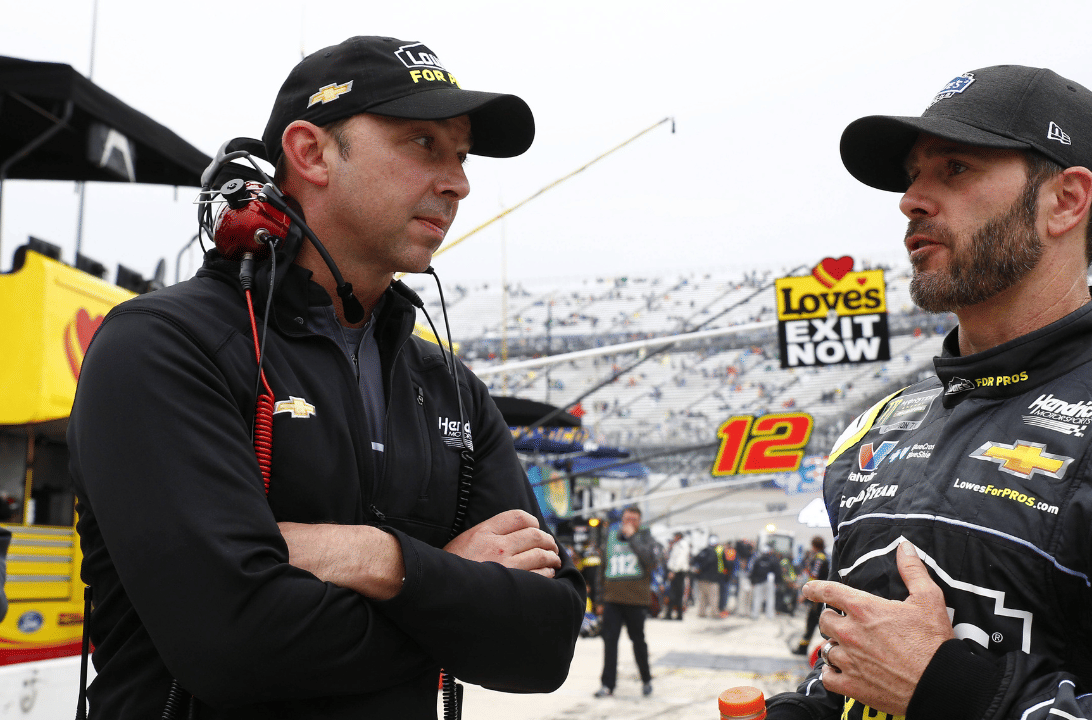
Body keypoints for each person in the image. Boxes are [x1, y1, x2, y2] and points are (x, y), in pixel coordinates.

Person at [69, 36, 586, 718]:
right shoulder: (163, 346)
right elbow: (236, 644)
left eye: (460, 156)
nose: (458, 183)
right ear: (310, 153)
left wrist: (375, 557)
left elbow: (544, 641)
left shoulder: (452, 388)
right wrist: (452, 590)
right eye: (423, 143)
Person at [765, 65, 1092, 720]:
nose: (911, 200)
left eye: (954, 168)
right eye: (913, 175)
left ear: (1066, 200)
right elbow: (860, 675)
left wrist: (955, 690)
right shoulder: (880, 429)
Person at [595, 506, 656, 698]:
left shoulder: (645, 537)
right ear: (621, 520)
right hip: (612, 600)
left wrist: (632, 538)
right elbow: (602, 569)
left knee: (638, 641)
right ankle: (607, 684)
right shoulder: (611, 537)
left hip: (636, 601)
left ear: (639, 521)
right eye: (627, 519)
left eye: (634, 519)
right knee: (609, 642)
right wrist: (599, 599)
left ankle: (646, 679)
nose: (629, 523)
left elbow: (651, 560)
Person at [791, 536, 828, 656]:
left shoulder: (819, 558)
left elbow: (814, 575)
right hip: (819, 594)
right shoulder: (822, 556)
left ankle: (803, 648)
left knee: (812, 622)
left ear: (814, 546)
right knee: (812, 621)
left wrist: (806, 594)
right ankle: (803, 647)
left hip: (817, 596)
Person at [748, 547, 782, 620]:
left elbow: (753, 572)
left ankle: (755, 614)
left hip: (759, 582)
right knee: (770, 598)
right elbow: (778, 572)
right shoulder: (773, 561)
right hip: (769, 583)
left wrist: (752, 581)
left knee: (757, 598)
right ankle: (769, 615)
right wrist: (777, 582)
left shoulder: (758, 561)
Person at [692, 537, 722, 618]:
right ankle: (714, 613)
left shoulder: (703, 551)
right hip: (712, 579)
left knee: (702, 597)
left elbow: (694, 560)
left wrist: (698, 570)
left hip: (701, 579)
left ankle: (701, 613)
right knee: (713, 597)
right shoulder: (716, 553)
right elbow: (717, 564)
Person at [664, 531, 690, 620]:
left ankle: (672, 614)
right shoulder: (678, 544)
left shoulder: (682, 545)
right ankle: (677, 615)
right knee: (677, 594)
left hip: (678, 572)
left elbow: (680, 559)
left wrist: (673, 571)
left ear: (678, 536)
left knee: (674, 594)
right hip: (676, 571)